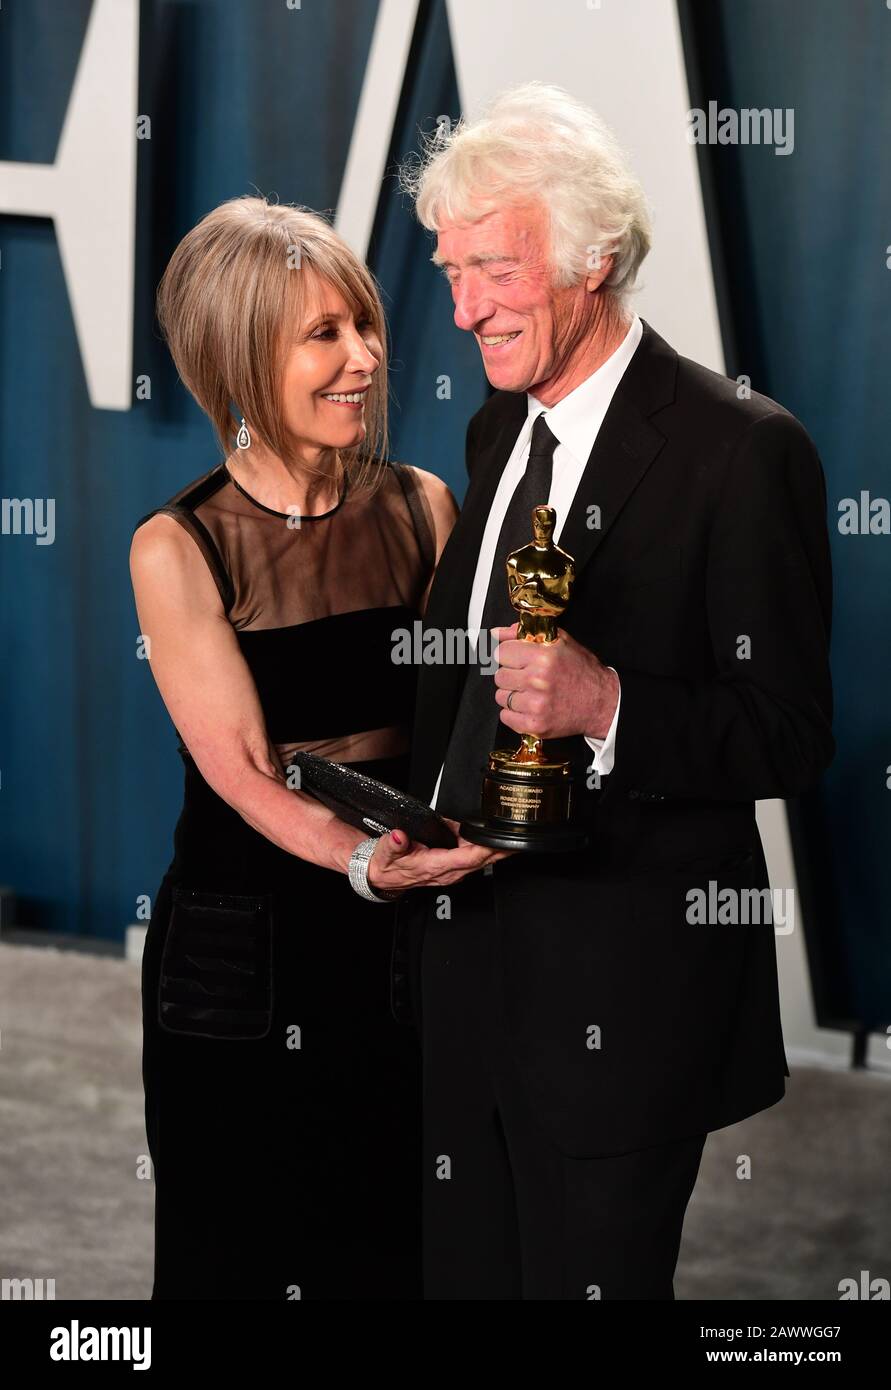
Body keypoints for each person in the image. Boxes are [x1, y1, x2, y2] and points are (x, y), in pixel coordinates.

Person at [394, 82, 834, 1299]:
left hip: (620, 1007)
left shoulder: (744, 451)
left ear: (592, 259)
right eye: (449, 270)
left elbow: (792, 737)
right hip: (460, 976)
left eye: (495, 267)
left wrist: (609, 710)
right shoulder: (498, 429)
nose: (465, 305)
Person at [130, 196, 502, 1300]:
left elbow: (468, 715)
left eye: (365, 325)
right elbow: (239, 769)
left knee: (394, 1242)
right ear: (241, 359)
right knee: (241, 1247)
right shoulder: (179, 544)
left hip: (401, 938)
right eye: (323, 335)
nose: (364, 359)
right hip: (247, 945)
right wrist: (356, 859)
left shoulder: (425, 505)